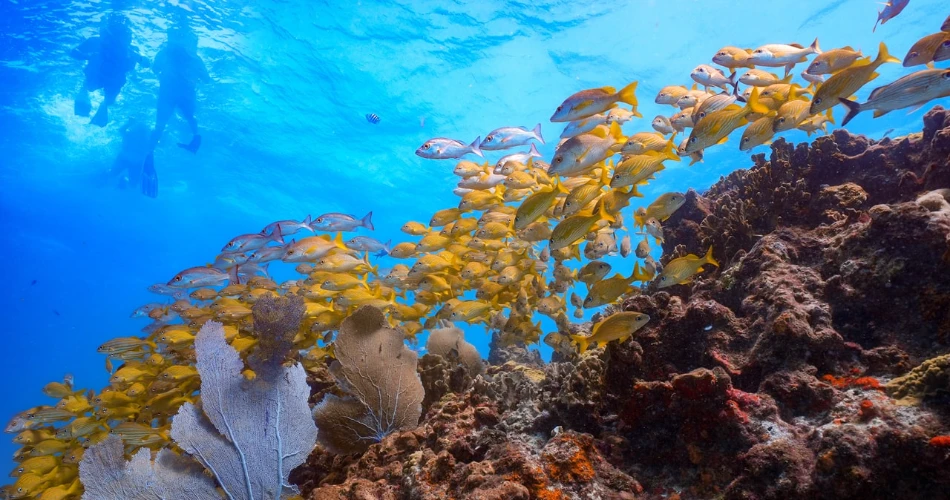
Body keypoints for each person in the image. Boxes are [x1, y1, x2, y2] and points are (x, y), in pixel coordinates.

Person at [70, 14, 146, 127]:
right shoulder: (97, 41)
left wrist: (138, 57)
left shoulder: (129, 49)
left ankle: (100, 105)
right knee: (92, 88)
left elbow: (146, 63)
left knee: (107, 99)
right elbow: (73, 52)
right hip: (99, 74)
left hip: (113, 78)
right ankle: (91, 99)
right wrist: (88, 56)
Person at [148, 24, 210, 154]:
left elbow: (155, 69)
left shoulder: (164, 53)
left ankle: (149, 152)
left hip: (167, 92)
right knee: (190, 117)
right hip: (187, 93)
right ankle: (196, 137)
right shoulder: (195, 59)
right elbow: (206, 79)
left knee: (160, 124)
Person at [99, 118, 156, 196]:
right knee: (112, 174)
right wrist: (129, 123)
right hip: (124, 159)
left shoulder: (145, 138)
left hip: (134, 162)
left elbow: (121, 130)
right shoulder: (131, 134)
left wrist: (129, 123)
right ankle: (104, 173)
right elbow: (121, 130)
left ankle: (123, 179)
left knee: (133, 184)